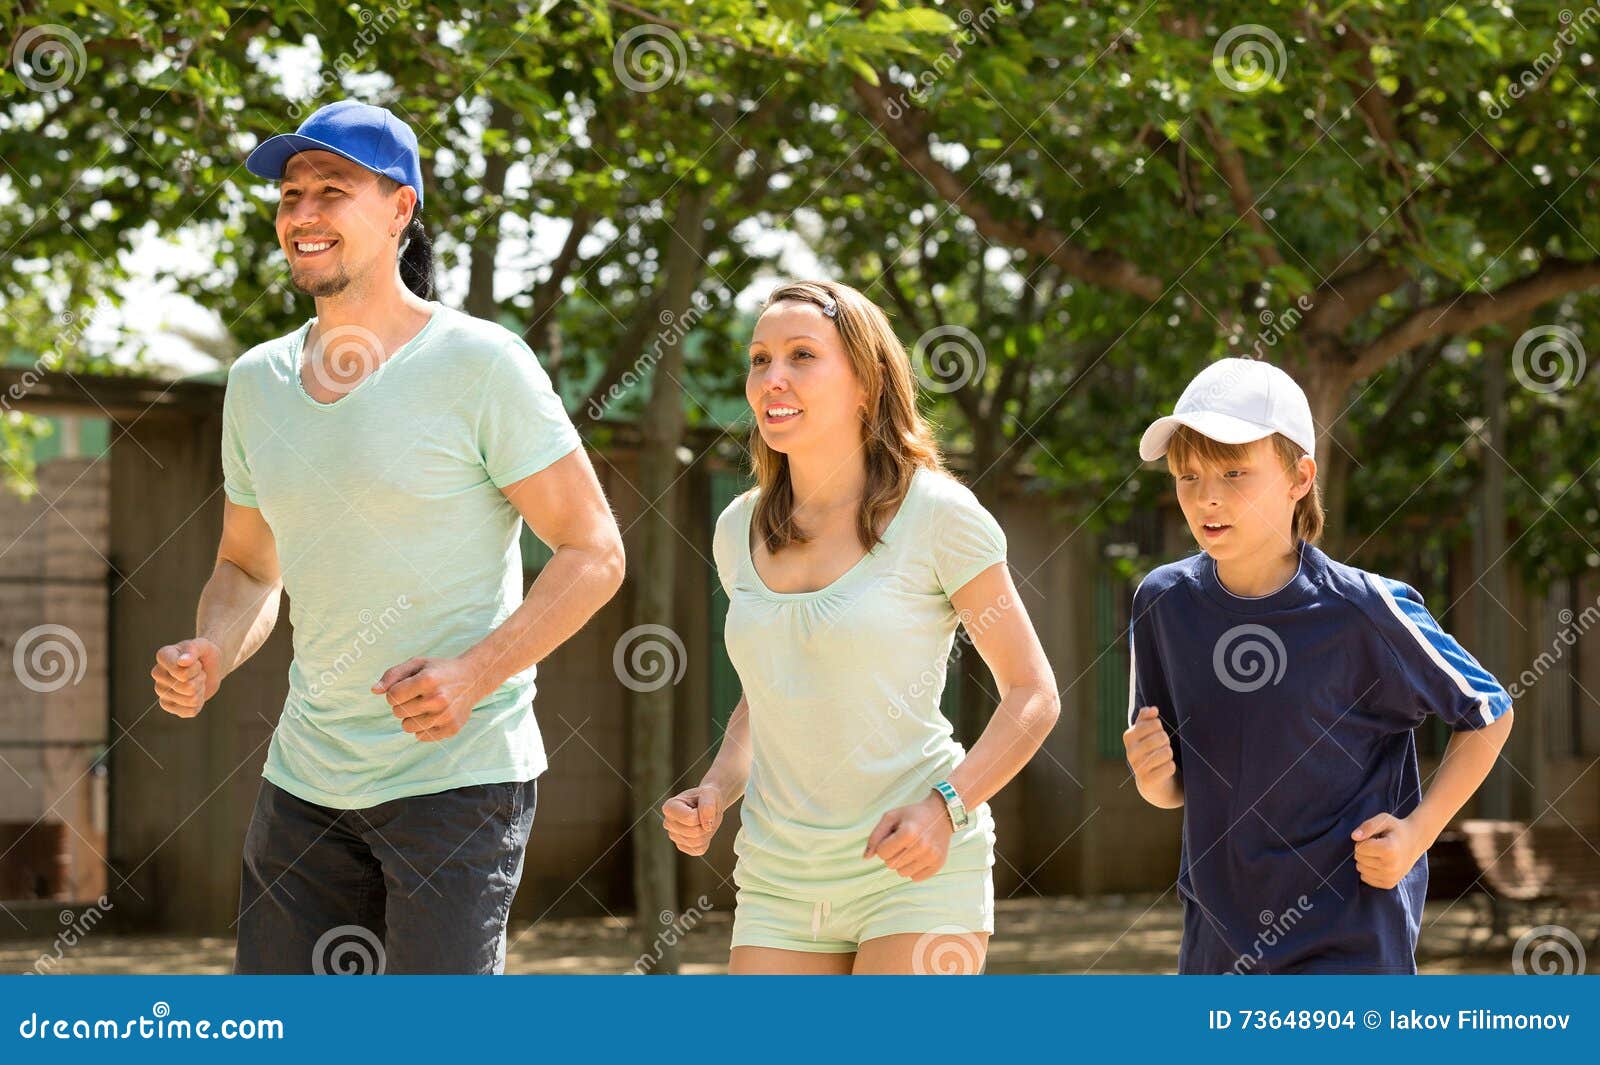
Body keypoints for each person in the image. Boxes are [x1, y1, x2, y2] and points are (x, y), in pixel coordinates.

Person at [149, 100, 625, 974]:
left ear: (401, 209)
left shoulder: (480, 364)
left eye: (332, 190)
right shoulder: (257, 382)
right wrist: (214, 647)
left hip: (457, 780)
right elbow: (250, 565)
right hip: (303, 782)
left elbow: (596, 552)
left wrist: (473, 672)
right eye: (290, 195)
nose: (302, 214)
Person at [661, 280, 1060, 975]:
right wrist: (718, 788)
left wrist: (947, 808)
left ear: (868, 383)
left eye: (801, 355)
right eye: (760, 359)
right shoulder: (738, 529)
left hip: (917, 869)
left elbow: (1033, 693)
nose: (772, 378)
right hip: (779, 876)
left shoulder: (937, 514)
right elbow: (770, 693)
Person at [1124, 356, 1514, 974]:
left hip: (1349, 944)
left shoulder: (1365, 609)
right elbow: (1175, 787)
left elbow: (1489, 712)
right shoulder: (1162, 604)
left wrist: (1417, 834)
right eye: (1188, 475)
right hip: (1216, 946)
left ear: (1299, 478)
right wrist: (1152, 780)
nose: (1208, 497)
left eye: (1235, 472)